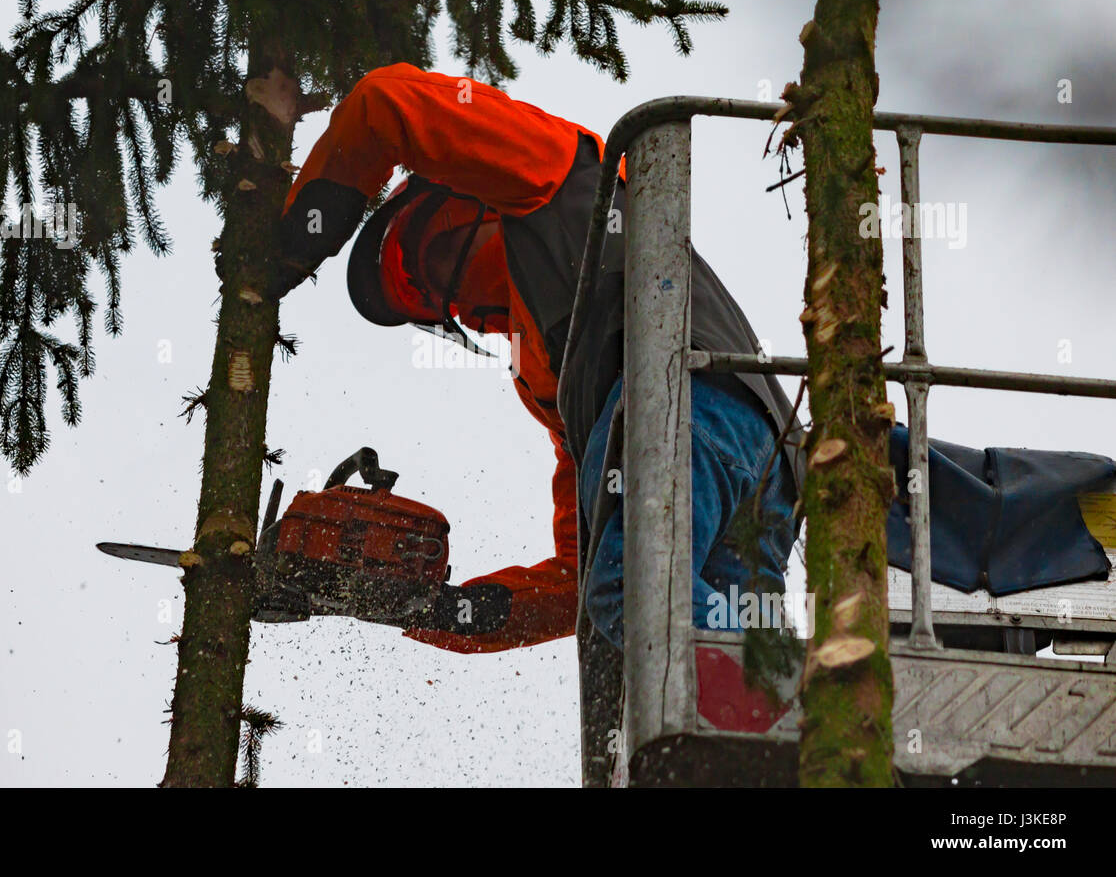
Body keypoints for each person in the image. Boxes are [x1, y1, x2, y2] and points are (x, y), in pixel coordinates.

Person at [272, 63, 1115, 653]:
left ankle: (812, 681)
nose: (453, 305)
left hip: (691, 410)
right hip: (756, 468)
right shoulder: (549, 378)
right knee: (697, 639)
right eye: (434, 310)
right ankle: (798, 689)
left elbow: (385, 101)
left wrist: (297, 236)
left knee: (640, 597)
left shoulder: (544, 177)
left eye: (425, 272)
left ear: (461, 201)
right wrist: (439, 610)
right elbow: (574, 574)